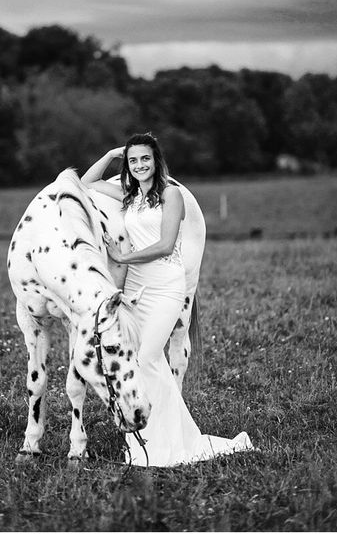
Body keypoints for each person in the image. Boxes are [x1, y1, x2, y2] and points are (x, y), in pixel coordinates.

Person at [82, 132, 253, 467]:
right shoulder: (128, 197)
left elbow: (164, 245)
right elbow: (87, 181)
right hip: (137, 290)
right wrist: (111, 154)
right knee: (144, 361)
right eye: (133, 161)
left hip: (165, 287)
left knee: (145, 359)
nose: (139, 165)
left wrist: (123, 256)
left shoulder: (171, 195)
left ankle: (165, 442)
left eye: (145, 158)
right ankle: (146, 440)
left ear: (155, 160)